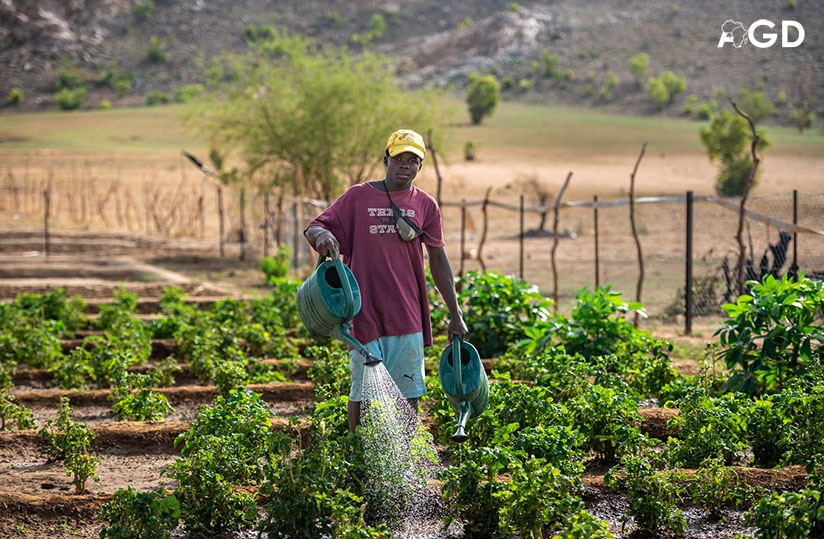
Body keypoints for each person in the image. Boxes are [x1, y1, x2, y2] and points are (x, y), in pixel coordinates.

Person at [304, 128, 468, 432]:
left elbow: (438, 260)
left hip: (407, 314)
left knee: (409, 393)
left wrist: (455, 315)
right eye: (398, 159)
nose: (404, 165)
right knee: (362, 391)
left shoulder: (426, 205)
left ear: (420, 166)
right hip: (363, 312)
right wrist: (324, 235)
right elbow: (315, 227)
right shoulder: (358, 197)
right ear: (386, 160)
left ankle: (404, 456)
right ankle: (357, 454)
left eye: (412, 160)